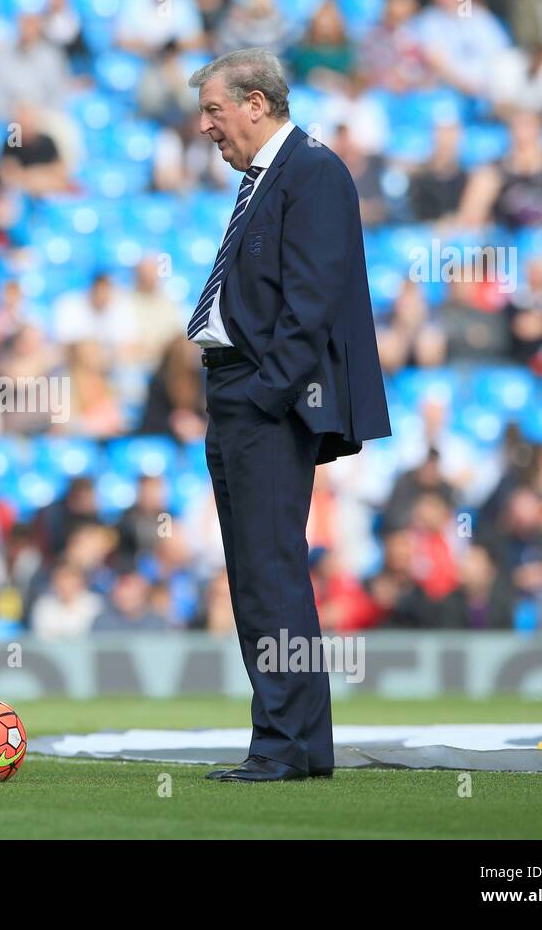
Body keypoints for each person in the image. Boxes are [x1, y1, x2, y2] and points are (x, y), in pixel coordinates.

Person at [183, 48, 390, 782]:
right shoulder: (273, 176)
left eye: (214, 110)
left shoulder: (312, 171)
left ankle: (285, 745)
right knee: (257, 573)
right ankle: (291, 742)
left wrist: (267, 395)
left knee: (270, 574)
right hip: (238, 391)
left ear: (256, 104)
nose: (205, 126)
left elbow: (311, 301)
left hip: (264, 398)